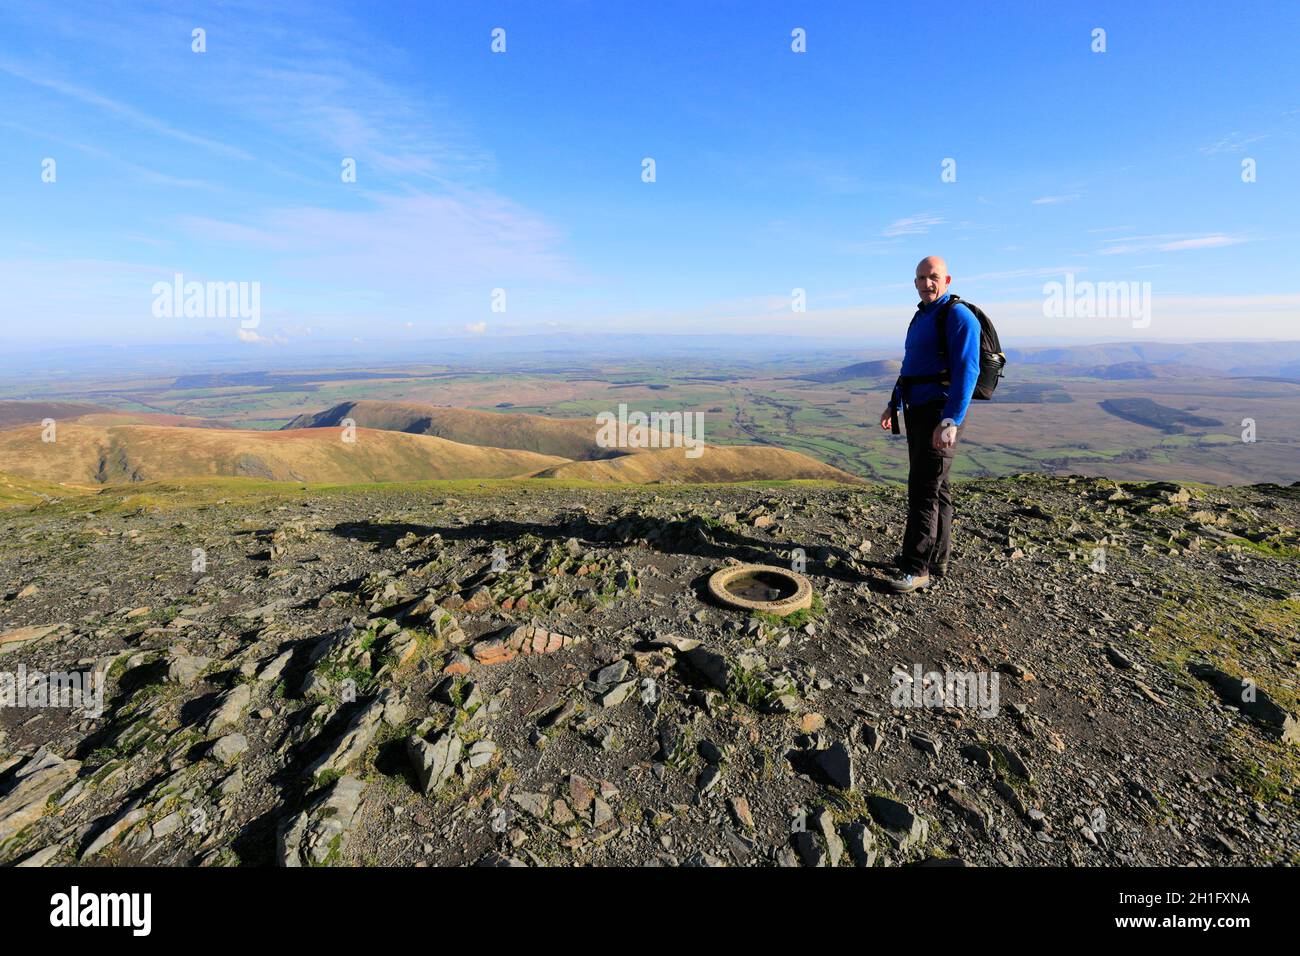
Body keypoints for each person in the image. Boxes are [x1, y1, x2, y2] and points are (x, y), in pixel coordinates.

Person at [877, 255, 980, 593]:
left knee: (922, 489)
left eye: (932, 277)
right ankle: (937, 557)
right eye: (921, 278)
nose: (926, 283)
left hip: (939, 413)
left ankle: (915, 566)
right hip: (917, 410)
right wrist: (894, 403)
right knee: (938, 487)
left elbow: (968, 371)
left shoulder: (958, 316)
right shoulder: (922, 316)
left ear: (947, 280)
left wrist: (951, 420)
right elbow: (911, 367)